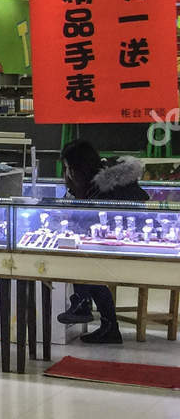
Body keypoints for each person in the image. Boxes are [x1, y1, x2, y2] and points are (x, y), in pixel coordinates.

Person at [57, 139, 148, 345]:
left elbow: (91, 220)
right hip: (113, 243)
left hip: (132, 246)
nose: (67, 173)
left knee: (83, 259)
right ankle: (104, 322)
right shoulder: (95, 181)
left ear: (78, 167)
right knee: (84, 258)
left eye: (69, 168)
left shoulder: (105, 187)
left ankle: (85, 304)